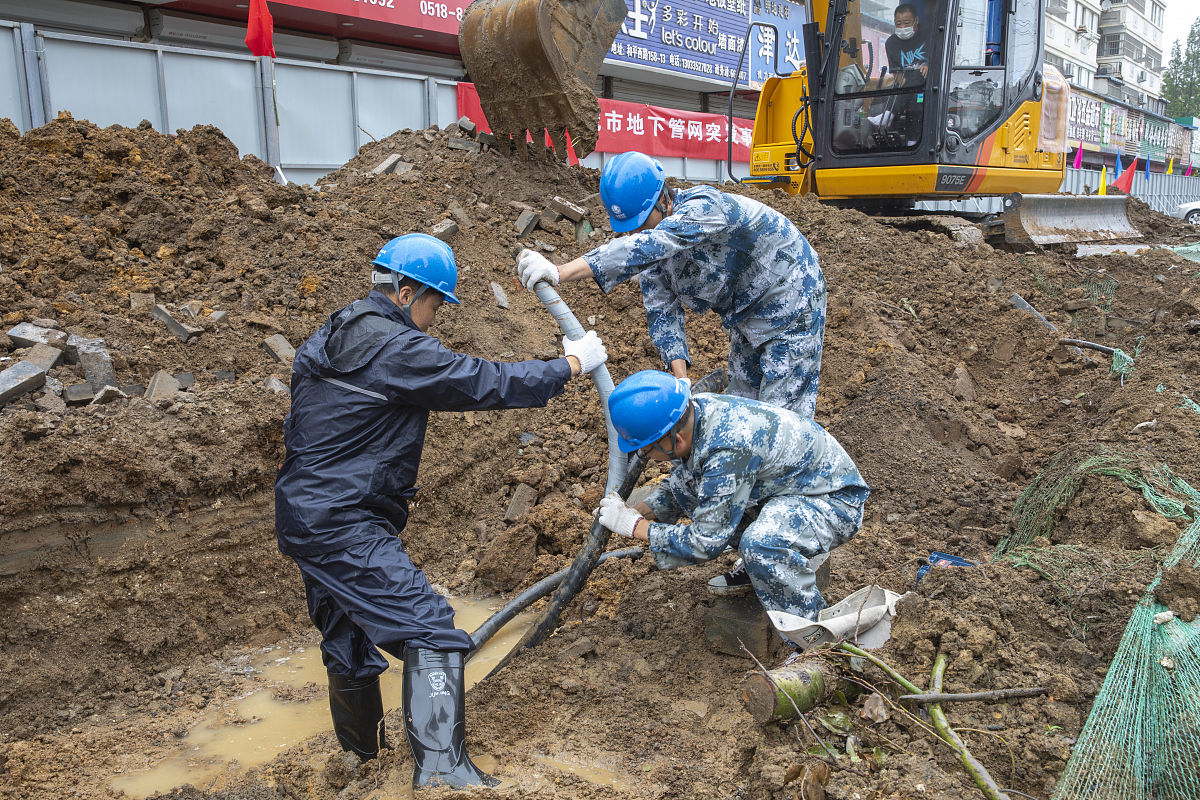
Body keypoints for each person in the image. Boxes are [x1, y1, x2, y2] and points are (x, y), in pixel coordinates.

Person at [274, 233, 608, 789]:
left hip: (304, 514)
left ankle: (361, 761)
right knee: (428, 627)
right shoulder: (396, 346)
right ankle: (442, 772)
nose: (434, 318)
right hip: (344, 520)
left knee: (349, 637)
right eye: (434, 304)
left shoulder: (334, 332)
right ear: (407, 293)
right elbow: (479, 381)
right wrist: (567, 366)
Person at [516, 150, 826, 419]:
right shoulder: (654, 253)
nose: (635, 232)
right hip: (747, 315)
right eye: (631, 227)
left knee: (783, 417)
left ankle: (793, 480)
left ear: (664, 198)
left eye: (642, 222)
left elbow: (656, 242)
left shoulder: (704, 208)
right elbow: (663, 316)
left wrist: (560, 271)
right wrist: (682, 382)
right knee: (744, 403)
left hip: (792, 298)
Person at [595, 371, 869, 624]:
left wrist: (637, 528)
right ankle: (760, 570)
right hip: (788, 490)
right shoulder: (690, 416)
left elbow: (706, 542)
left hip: (832, 501)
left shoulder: (728, 448)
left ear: (674, 440)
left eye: (646, 449)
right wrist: (641, 510)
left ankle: (812, 637)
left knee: (761, 544)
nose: (643, 456)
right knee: (684, 484)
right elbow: (687, 482)